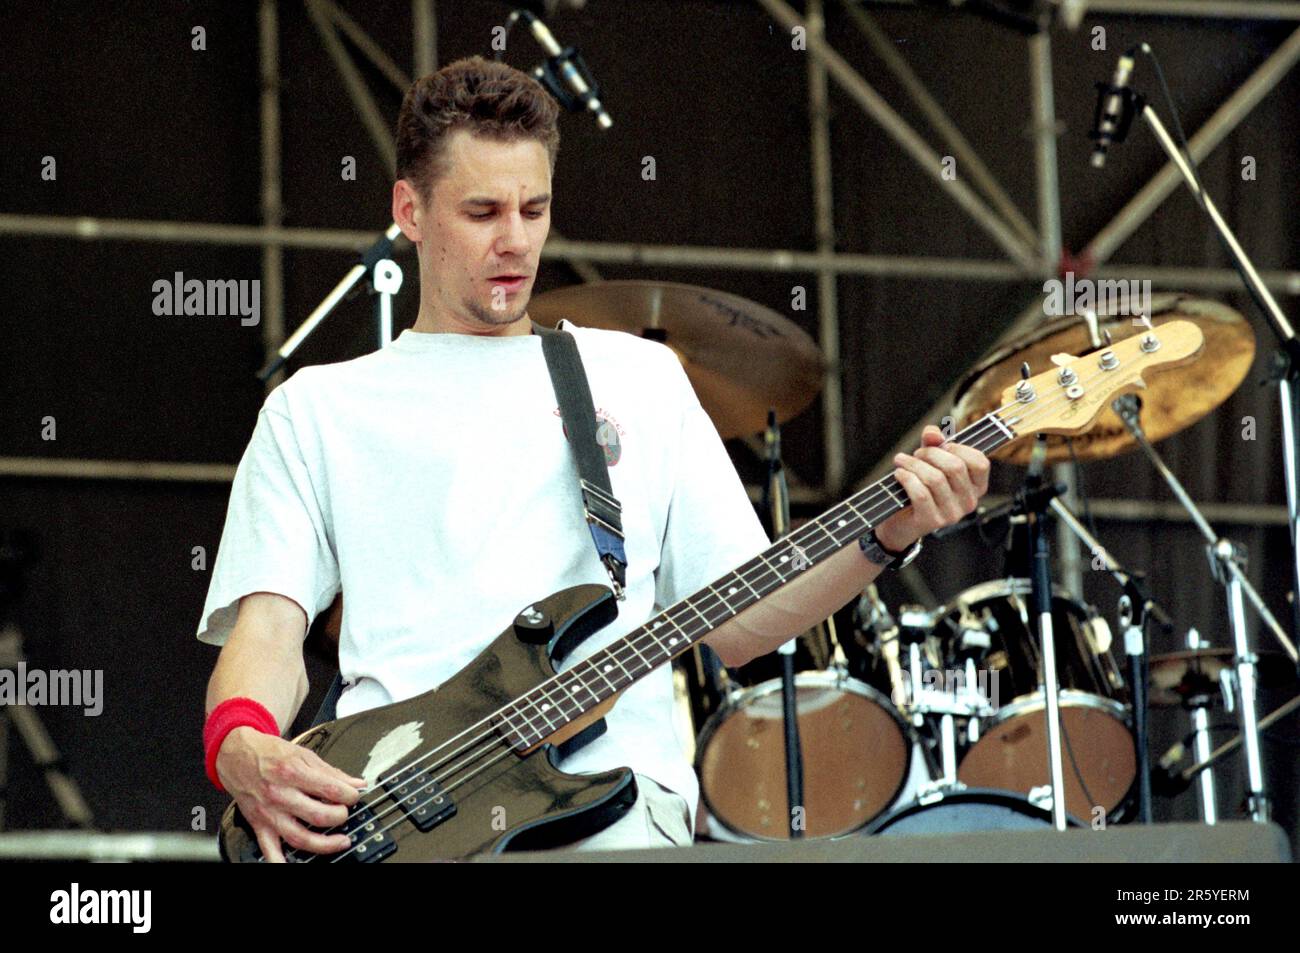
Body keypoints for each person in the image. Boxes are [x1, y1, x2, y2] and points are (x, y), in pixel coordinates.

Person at [196, 56, 990, 862]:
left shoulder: (636, 379)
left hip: (611, 820)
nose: (515, 240)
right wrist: (240, 743)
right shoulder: (319, 408)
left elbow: (743, 620)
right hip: (395, 822)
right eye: (481, 211)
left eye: (534, 209)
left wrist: (890, 532)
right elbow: (268, 631)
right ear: (410, 210)